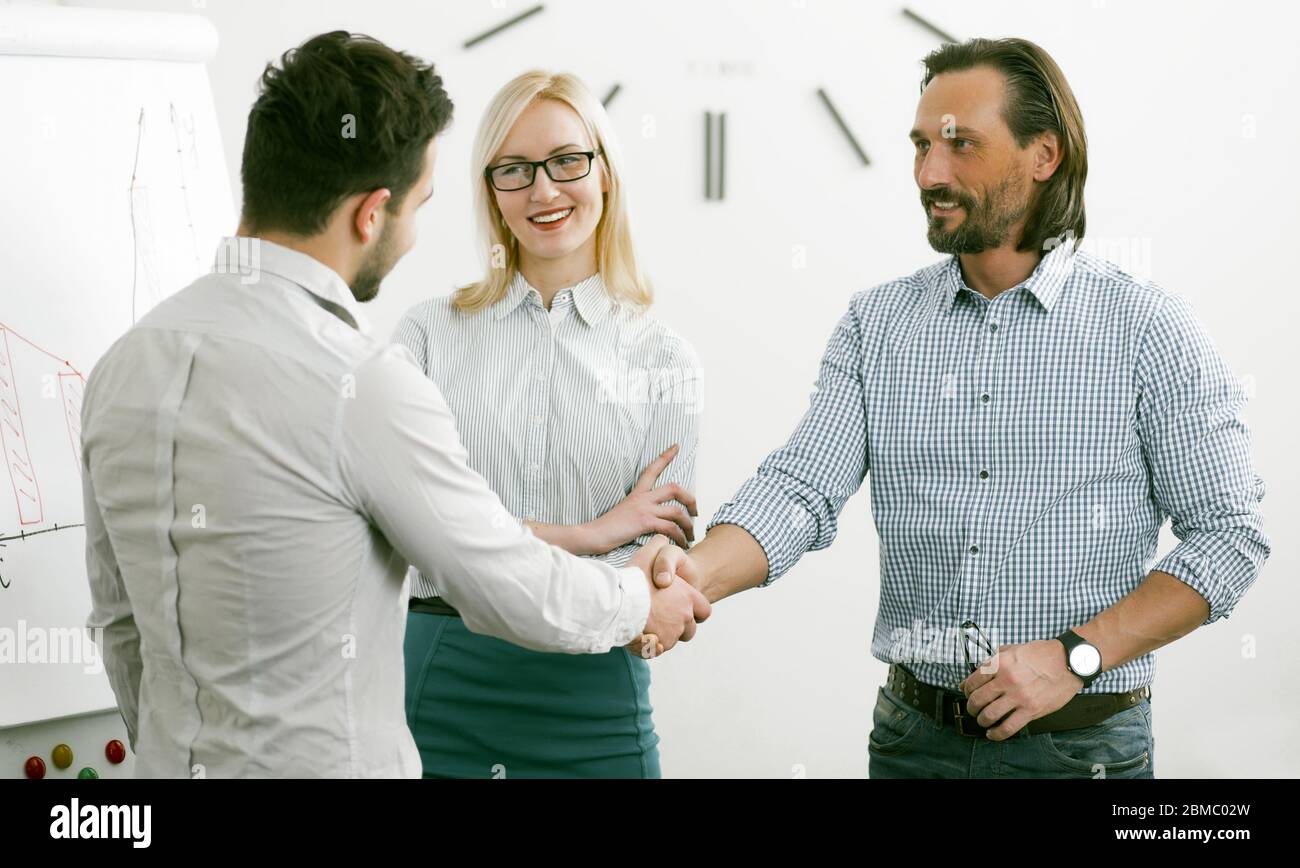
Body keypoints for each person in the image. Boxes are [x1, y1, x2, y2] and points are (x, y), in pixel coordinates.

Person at [82, 31, 709, 779]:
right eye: (419, 205)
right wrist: (635, 596)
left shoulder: (121, 367)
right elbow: (487, 572)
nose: (542, 190)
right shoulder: (363, 380)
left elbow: (119, 624)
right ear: (371, 214)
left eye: (567, 163)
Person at [650, 37, 1269, 779]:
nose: (929, 174)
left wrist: (1079, 653)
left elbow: (1230, 536)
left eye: (960, 146)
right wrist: (687, 577)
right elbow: (801, 488)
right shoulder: (874, 323)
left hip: (1079, 753)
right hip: (911, 744)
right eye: (919, 146)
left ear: (1044, 155)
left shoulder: (1148, 329)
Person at [394, 70, 702, 778]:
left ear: (606, 172)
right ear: (491, 191)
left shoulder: (665, 359)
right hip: (443, 683)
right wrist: (592, 535)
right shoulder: (426, 337)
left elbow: (657, 563)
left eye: (567, 160)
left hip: (595, 693)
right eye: (514, 170)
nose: (543, 190)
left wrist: (485, 544)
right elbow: (414, 534)